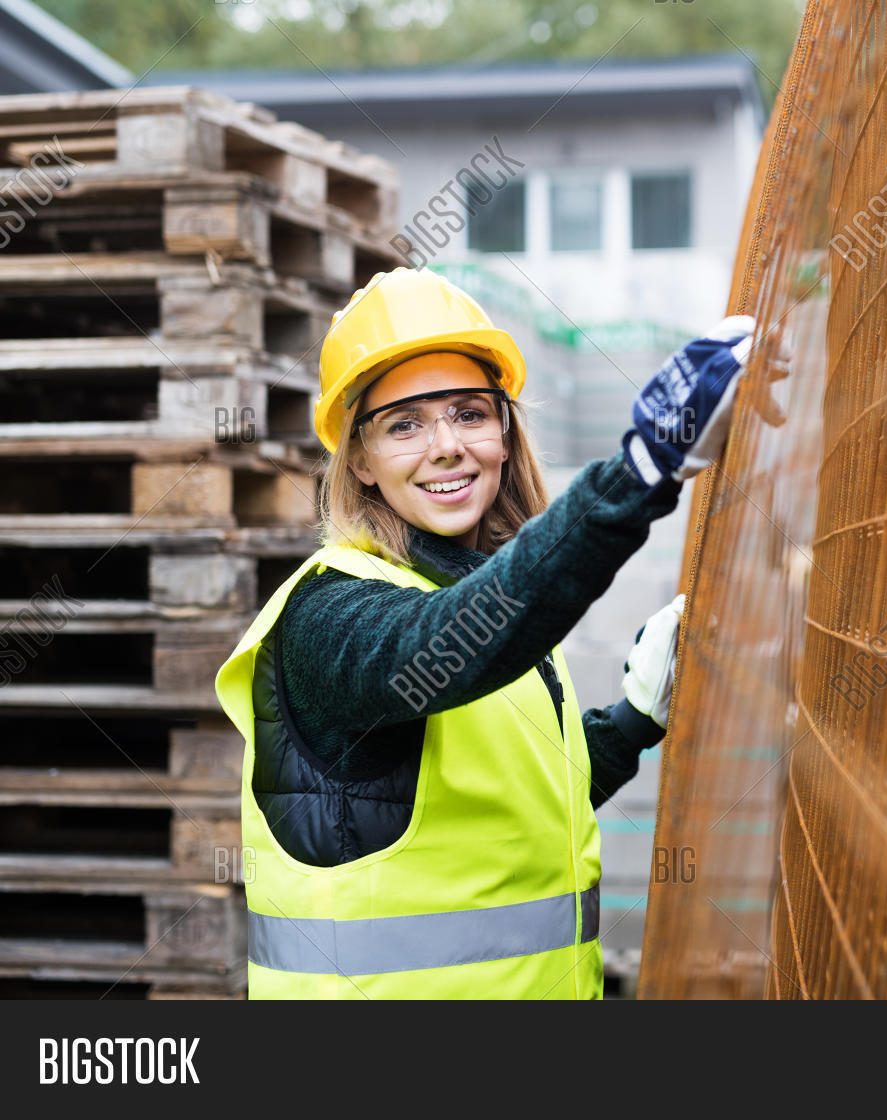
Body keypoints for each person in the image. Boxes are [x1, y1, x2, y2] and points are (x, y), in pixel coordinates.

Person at [214, 267, 755, 999]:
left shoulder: (478, 597)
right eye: (404, 424)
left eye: (470, 413)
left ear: (505, 433)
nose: (446, 446)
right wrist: (641, 469)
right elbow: (435, 648)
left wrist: (632, 720)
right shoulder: (329, 615)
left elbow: (520, 814)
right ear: (361, 461)